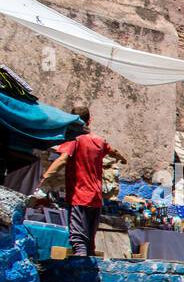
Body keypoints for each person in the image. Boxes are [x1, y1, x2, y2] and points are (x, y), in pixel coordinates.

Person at [34, 105, 124, 257]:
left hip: (79, 197)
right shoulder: (99, 141)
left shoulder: (74, 140)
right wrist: (122, 159)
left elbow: (62, 159)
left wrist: (44, 178)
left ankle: (79, 272)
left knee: (78, 240)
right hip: (96, 198)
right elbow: (113, 151)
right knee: (89, 242)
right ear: (89, 121)